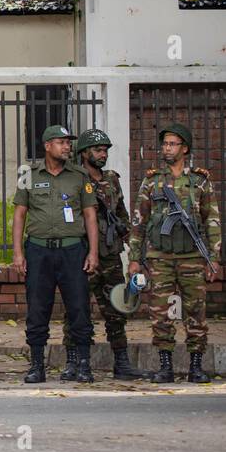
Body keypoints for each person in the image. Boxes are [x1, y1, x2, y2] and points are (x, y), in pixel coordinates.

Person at [127, 122, 221, 383]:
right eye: (165, 144)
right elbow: (139, 221)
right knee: (161, 313)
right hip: (160, 257)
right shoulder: (153, 180)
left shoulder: (199, 181)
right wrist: (135, 258)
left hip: (192, 257)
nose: (167, 148)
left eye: (172, 144)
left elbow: (212, 220)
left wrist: (214, 259)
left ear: (185, 148)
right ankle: (165, 365)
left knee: (196, 312)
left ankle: (196, 366)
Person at [12, 125, 100, 384]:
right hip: (39, 250)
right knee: (38, 309)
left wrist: (93, 252)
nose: (67, 147)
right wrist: (18, 253)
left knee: (79, 308)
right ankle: (37, 365)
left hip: (72, 249)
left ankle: (84, 364)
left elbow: (90, 215)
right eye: (61, 142)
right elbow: (19, 214)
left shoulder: (79, 176)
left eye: (67, 143)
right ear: (47, 146)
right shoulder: (27, 174)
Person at [61, 129, 147, 380]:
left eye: (105, 150)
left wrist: (132, 248)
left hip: (109, 253)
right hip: (81, 253)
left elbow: (121, 213)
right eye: (98, 150)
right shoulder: (73, 178)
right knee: (76, 309)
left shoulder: (111, 179)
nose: (102, 154)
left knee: (116, 307)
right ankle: (73, 361)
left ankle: (121, 361)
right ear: (84, 152)